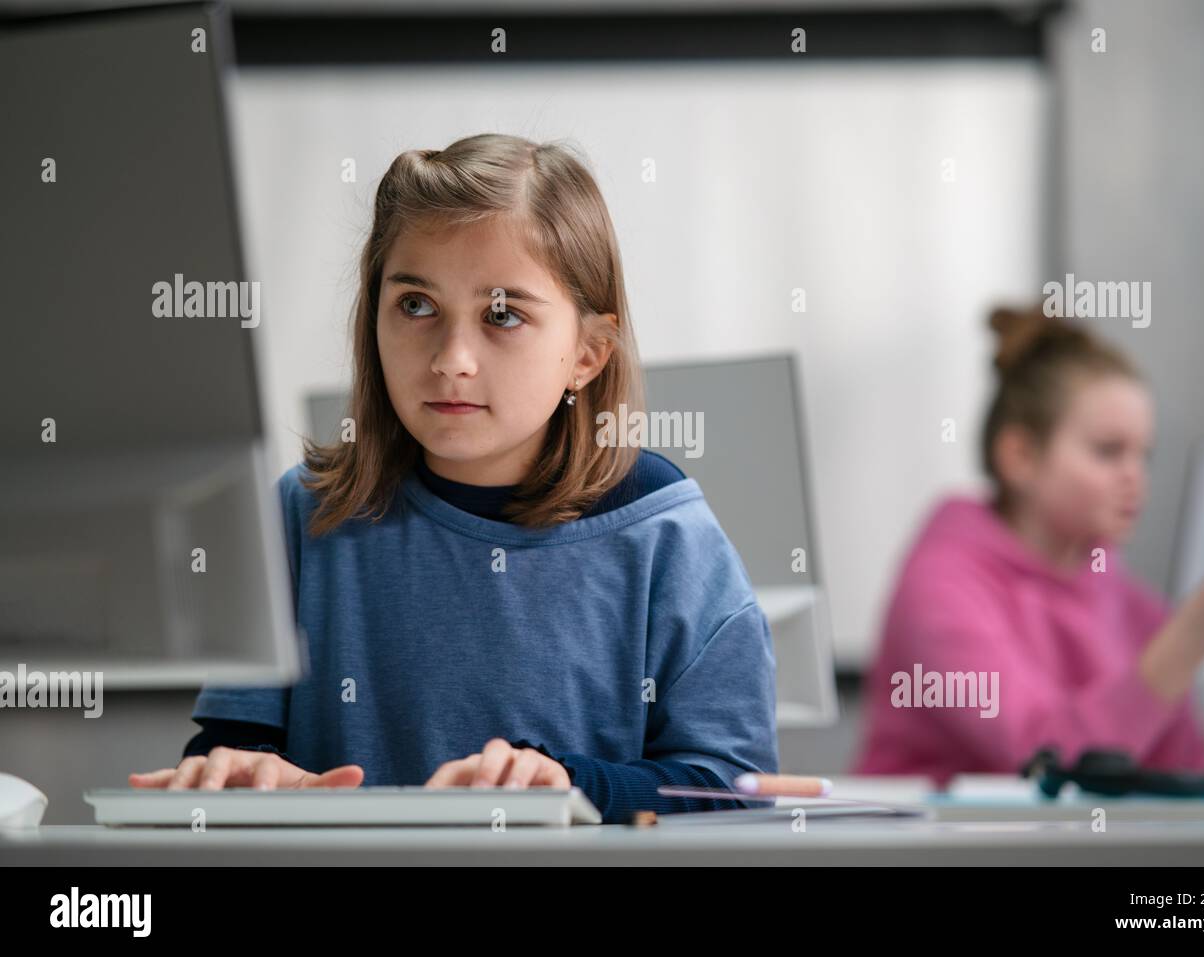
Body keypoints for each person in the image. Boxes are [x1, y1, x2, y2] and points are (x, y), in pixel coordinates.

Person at [129, 134, 778, 823]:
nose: (452, 359)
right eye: (416, 306)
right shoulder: (300, 514)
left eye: (503, 315)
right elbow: (233, 747)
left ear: (587, 353)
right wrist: (237, 769)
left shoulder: (667, 534)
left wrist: (570, 785)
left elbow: (733, 788)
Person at [855, 305, 1204, 789]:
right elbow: (1043, 759)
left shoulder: (1130, 604)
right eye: (1108, 451)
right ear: (1020, 456)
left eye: (1144, 455)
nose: (1135, 478)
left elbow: (1177, 783)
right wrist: (1190, 639)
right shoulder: (940, 587)